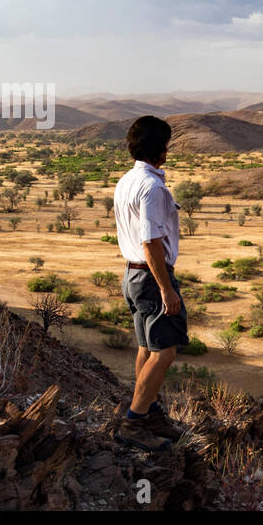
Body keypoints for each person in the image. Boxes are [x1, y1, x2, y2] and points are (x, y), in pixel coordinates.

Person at [111, 115, 187, 451]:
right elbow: (151, 242)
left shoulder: (127, 180)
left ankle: (150, 412)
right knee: (165, 352)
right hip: (151, 274)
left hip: (133, 274)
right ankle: (135, 421)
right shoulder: (154, 188)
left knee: (147, 346)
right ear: (162, 148)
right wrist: (167, 289)